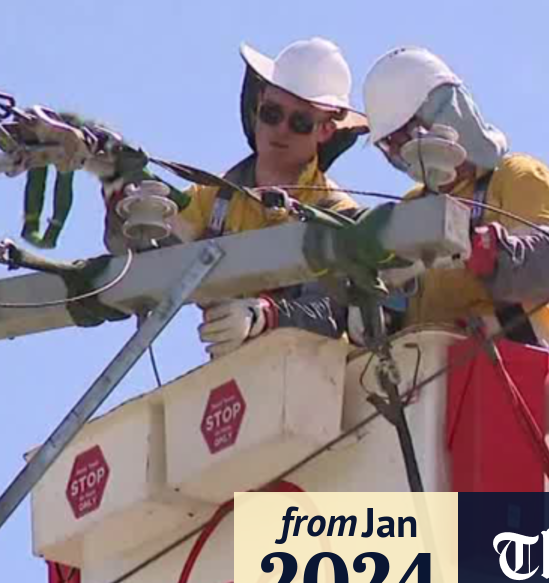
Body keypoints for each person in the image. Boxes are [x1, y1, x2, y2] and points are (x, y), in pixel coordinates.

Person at [101, 38, 376, 358]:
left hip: (310, 372)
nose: (281, 129)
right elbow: (154, 260)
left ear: (326, 130)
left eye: (299, 122)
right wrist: (119, 190)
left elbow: (333, 307)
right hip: (236, 372)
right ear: (258, 106)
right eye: (272, 113)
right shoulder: (215, 199)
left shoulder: (335, 211)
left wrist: (264, 315)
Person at [361, 47, 549, 348]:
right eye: (387, 145)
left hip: (506, 364)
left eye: (401, 137)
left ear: (443, 115)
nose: (397, 152)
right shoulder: (411, 206)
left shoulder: (517, 175)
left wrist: (490, 250)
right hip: (420, 367)